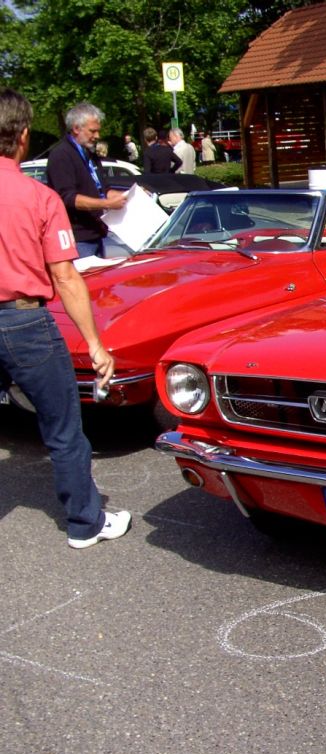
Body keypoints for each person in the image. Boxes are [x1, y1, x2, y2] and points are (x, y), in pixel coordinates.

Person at [0, 88, 130, 548]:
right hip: (23, 322)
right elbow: (66, 276)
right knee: (62, 428)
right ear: (23, 137)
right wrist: (94, 343)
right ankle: (85, 522)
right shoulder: (37, 197)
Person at [45, 102, 127, 258]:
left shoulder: (89, 154)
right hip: (78, 238)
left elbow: (103, 189)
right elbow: (68, 198)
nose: (97, 136)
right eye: (92, 131)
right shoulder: (61, 155)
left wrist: (128, 195)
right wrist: (107, 204)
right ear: (76, 128)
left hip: (97, 233)